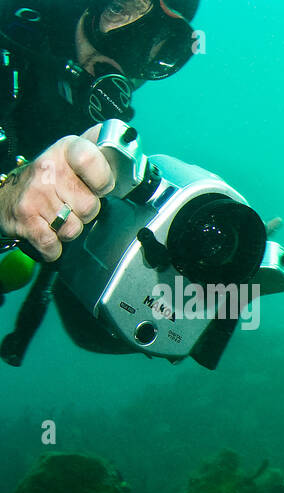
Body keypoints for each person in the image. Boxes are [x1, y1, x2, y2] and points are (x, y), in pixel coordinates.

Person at [0, 1, 198, 359]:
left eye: (161, 45)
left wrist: (187, 285)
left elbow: (87, 318)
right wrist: (6, 196)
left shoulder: (94, 146)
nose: (127, 54)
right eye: (122, 9)